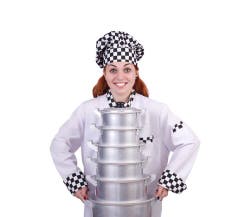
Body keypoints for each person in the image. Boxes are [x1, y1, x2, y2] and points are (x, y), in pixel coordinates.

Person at [50, 31, 200, 217]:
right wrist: (75, 181)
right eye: (113, 70)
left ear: (136, 72)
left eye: (127, 69)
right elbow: (60, 144)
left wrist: (168, 181)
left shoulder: (157, 111)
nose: (120, 77)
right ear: (104, 74)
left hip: (146, 207)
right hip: (98, 207)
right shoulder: (87, 110)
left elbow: (189, 141)